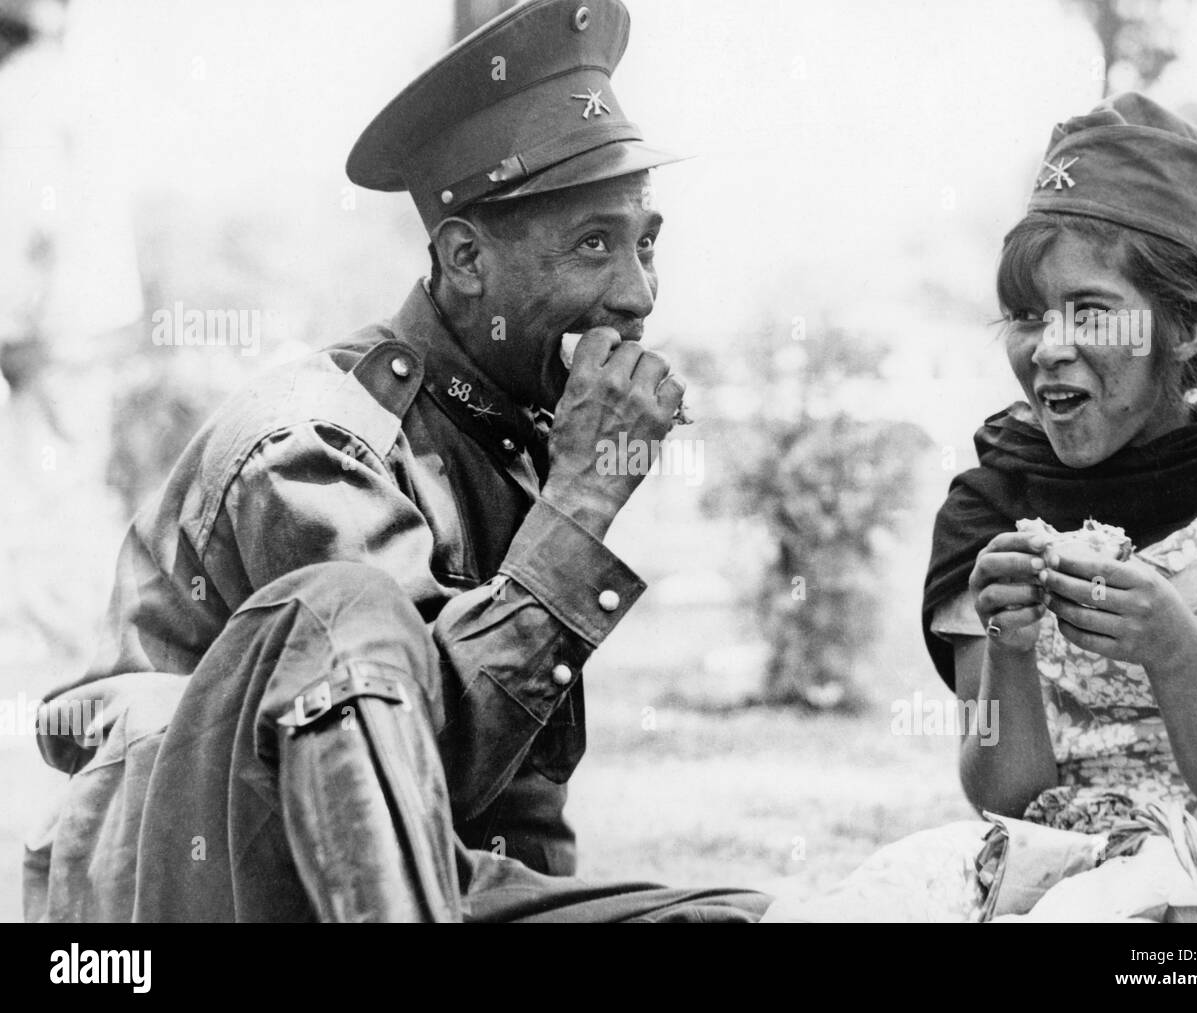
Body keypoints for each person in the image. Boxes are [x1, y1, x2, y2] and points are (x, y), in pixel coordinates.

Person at [24, 0, 770, 923]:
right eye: (594, 246)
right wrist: (580, 503)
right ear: (464, 258)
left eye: (645, 242)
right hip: (200, 889)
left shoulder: (501, 425)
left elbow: (510, 825)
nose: (639, 294)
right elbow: (405, 778)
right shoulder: (315, 448)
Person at [767, 92, 1197, 923]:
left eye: (1090, 310)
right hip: (1040, 855)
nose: (1048, 347)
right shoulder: (994, 507)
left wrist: (1170, 644)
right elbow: (1004, 795)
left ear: (1185, 329)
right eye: (1024, 315)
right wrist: (1008, 647)